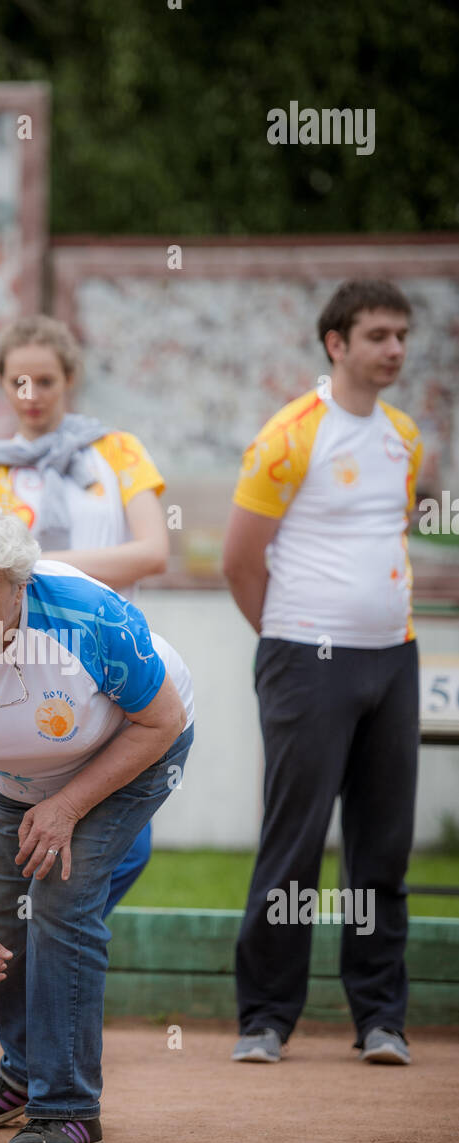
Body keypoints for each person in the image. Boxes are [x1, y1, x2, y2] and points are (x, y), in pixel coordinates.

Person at [0, 499, 194, 1143]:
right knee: (4, 910)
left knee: (61, 895)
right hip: (10, 778)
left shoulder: (89, 615)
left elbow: (161, 720)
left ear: (18, 586)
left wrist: (68, 806)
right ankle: (22, 1074)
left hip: (127, 752)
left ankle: (68, 1108)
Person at [0, 314, 172, 1063]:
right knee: (37, 877)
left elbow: (152, 552)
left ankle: (35, 967)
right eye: (17, 380)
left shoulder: (117, 452)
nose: (31, 392)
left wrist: (49, 576)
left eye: (45, 378)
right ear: (3, 384)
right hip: (19, 688)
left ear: (68, 380)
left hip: (111, 673)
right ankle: (29, 1030)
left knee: (121, 854)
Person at [222, 280, 422, 1066]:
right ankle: (264, 1019)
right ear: (335, 344)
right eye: (377, 335)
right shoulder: (289, 434)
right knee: (294, 843)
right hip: (306, 659)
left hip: (393, 660)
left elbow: (385, 540)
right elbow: (239, 561)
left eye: (401, 334)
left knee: (382, 847)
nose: (394, 349)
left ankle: (380, 1018)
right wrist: (291, 643)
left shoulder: (404, 435)